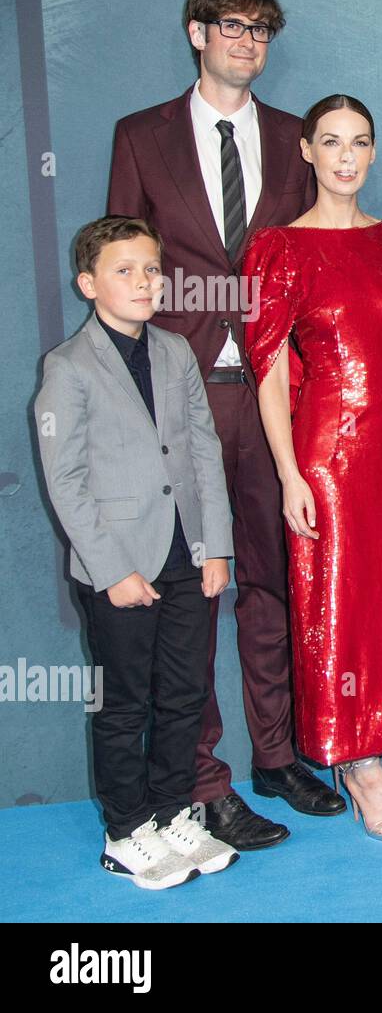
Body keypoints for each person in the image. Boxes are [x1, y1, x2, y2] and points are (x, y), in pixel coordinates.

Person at [106, 0, 341, 850]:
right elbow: (124, 260)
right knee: (196, 592)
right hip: (185, 402)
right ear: (197, 32)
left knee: (276, 584)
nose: (248, 42)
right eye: (232, 26)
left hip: (283, 400)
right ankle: (204, 782)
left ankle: (279, 754)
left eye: (262, 31)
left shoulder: (294, 139)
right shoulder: (142, 137)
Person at [243, 95, 382, 842]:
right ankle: (361, 767)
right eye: (330, 142)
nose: (345, 156)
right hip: (327, 456)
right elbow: (267, 373)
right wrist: (291, 475)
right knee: (335, 606)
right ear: (306, 151)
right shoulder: (279, 249)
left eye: (359, 142)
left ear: (371, 152)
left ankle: (372, 744)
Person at [36, 216, 238, 888]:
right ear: (88, 283)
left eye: (152, 268)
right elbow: (63, 480)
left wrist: (217, 548)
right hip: (117, 565)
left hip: (187, 555)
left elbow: (203, 448)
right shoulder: (67, 367)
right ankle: (126, 831)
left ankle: (175, 812)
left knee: (184, 694)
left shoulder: (176, 351)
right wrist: (110, 569)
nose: (144, 281)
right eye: (125, 270)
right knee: (125, 704)